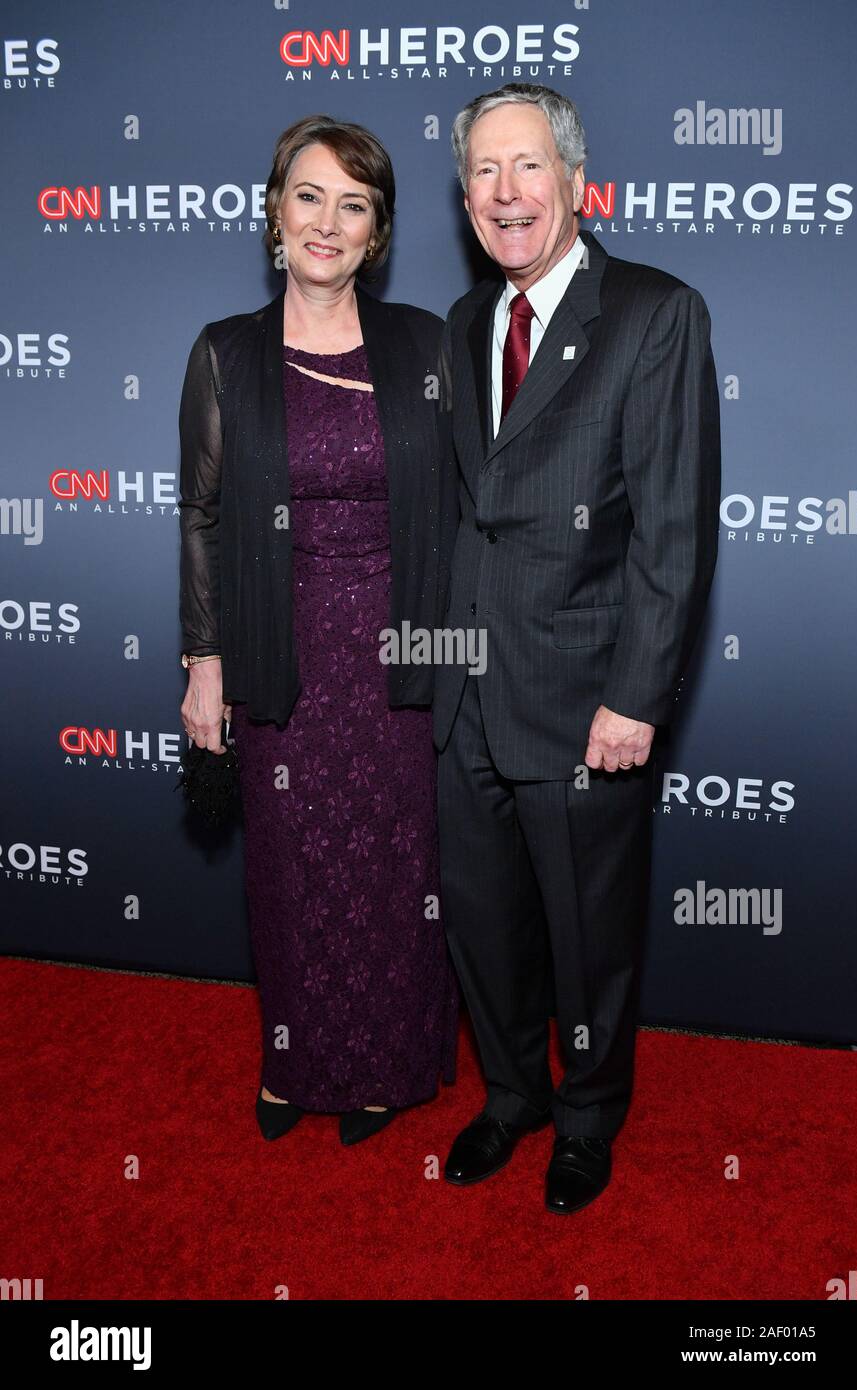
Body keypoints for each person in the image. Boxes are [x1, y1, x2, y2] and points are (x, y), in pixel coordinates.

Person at [434, 84, 721, 1211]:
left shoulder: (654, 312)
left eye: (527, 168)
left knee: (588, 937)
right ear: (464, 201)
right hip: (462, 696)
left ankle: (587, 1116)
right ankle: (512, 1096)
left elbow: (672, 528)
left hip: (584, 698)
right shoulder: (464, 328)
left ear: (574, 181)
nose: (506, 194)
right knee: (484, 924)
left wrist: (636, 696)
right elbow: (471, 509)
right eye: (484, 176)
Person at [178, 115, 459, 1147]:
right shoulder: (225, 354)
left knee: (395, 865)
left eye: (353, 204)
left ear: (377, 232)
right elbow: (201, 515)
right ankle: (294, 1062)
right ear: (272, 211)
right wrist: (203, 661)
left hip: (398, 652)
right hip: (277, 646)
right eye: (308, 196)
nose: (326, 222)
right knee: (290, 865)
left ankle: (387, 1063)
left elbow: (472, 502)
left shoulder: (425, 344)